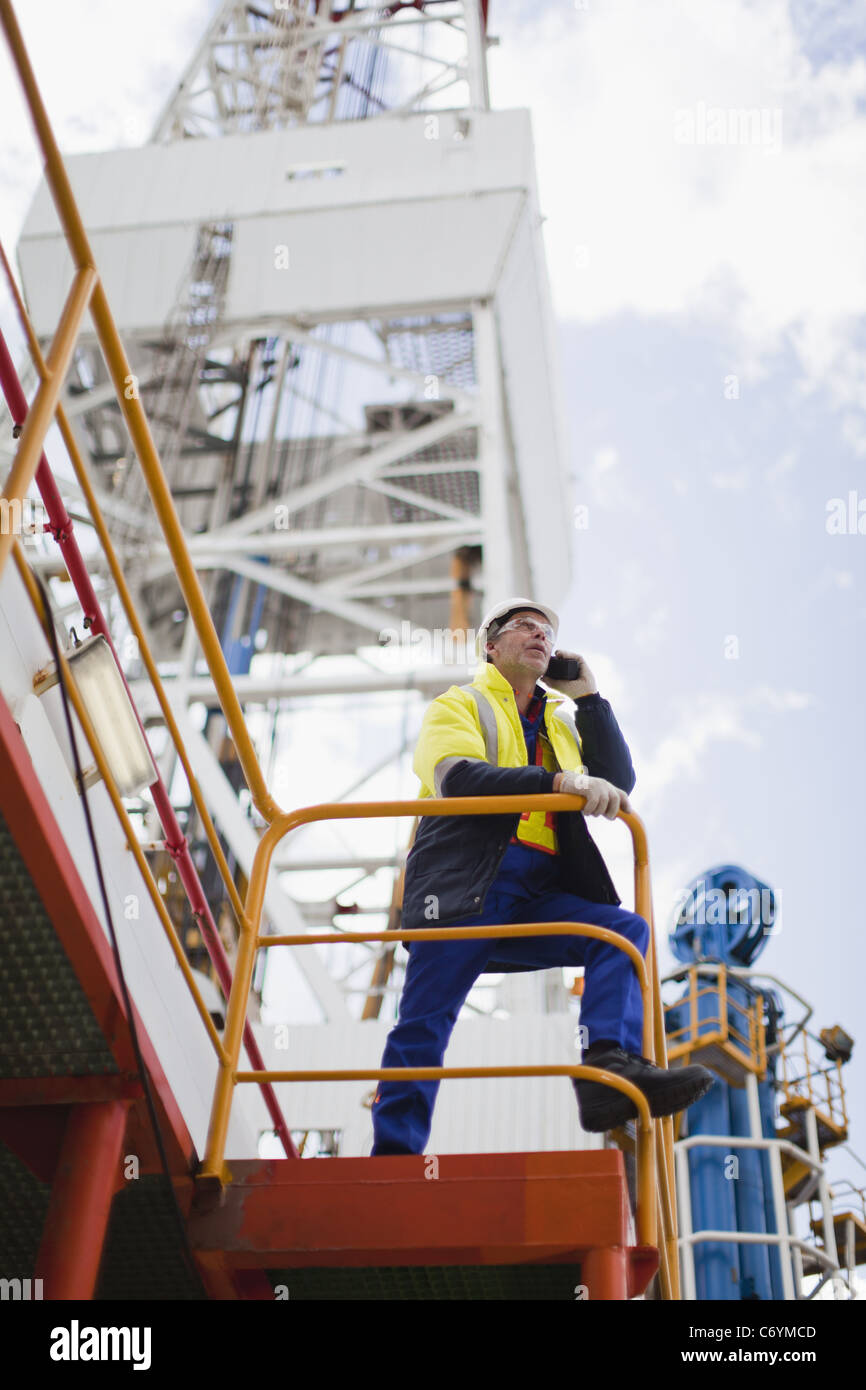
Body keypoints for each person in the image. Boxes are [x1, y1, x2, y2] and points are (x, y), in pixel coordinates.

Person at [370, 598, 712, 1154]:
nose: (539, 635)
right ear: (491, 644)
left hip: (535, 893)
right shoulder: (460, 704)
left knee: (622, 933)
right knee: (423, 1025)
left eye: (547, 632)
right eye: (524, 626)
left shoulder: (559, 721)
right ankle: (393, 1159)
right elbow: (458, 779)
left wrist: (590, 698)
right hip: (463, 888)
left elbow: (617, 779)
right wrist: (555, 785)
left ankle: (608, 1072)